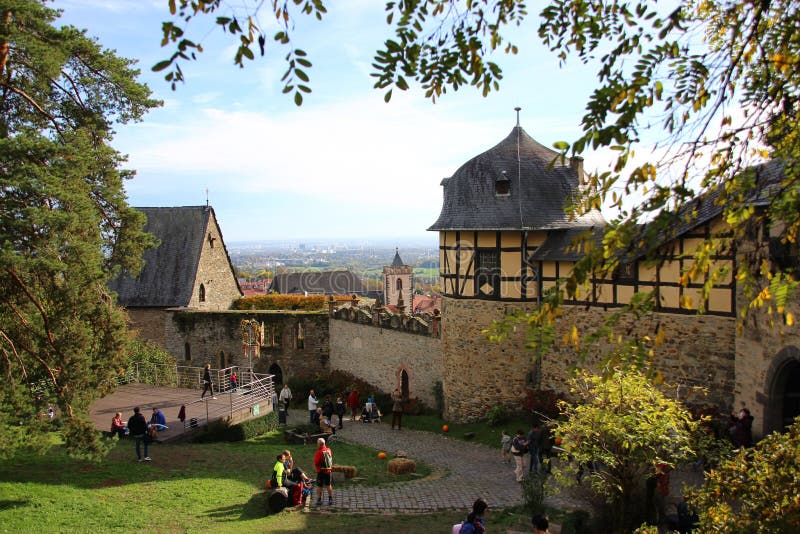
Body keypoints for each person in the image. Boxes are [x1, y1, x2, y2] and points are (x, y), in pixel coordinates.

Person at [313, 437, 334, 506]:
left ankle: (319, 499)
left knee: (319, 486)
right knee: (328, 485)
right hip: (328, 471)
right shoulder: (329, 450)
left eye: (317, 444)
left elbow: (316, 462)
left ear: (319, 444)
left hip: (321, 472)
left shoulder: (319, 452)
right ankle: (330, 499)